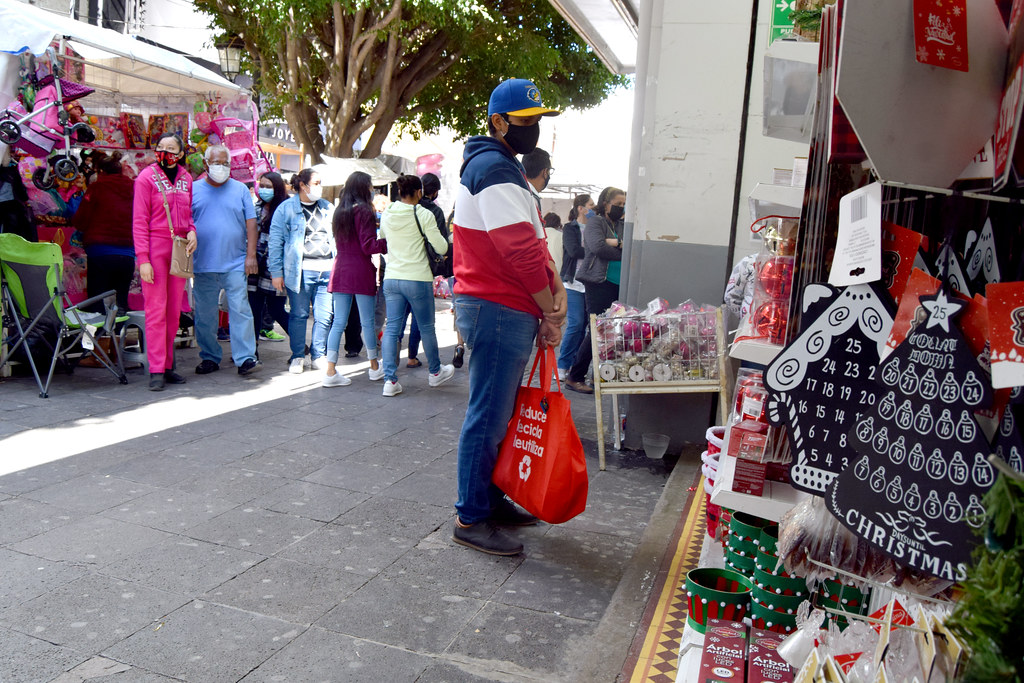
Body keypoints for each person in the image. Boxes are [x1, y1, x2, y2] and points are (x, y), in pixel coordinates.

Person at [451, 78, 565, 556]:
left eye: (539, 120)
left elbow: (530, 243)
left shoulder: (500, 166)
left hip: (505, 305)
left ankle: (489, 501)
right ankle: (471, 517)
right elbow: (518, 250)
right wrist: (548, 304)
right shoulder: (494, 169)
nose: (534, 129)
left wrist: (552, 294)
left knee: (498, 415)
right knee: (489, 416)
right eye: (526, 121)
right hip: (498, 306)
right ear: (498, 122)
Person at [378, 173, 454, 396]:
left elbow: (383, 236)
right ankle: (436, 373)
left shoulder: (388, 213)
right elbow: (441, 248)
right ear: (419, 192)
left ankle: (390, 381)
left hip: (392, 277)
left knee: (392, 329)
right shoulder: (423, 214)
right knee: (427, 327)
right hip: (417, 278)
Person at [132, 132, 196, 391]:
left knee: (173, 312)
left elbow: (188, 214)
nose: (165, 152)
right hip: (155, 247)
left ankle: (169, 365)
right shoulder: (146, 178)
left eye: (171, 148)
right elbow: (139, 221)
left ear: (181, 154)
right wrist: (143, 259)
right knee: (156, 310)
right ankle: (156, 368)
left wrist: (192, 230)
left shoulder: (186, 178)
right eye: (160, 147)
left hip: (180, 248)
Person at [191, 145, 262, 377]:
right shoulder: (193, 190)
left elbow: (252, 224)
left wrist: (251, 255)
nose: (221, 168)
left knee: (241, 310)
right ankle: (210, 357)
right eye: (216, 163)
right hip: (203, 263)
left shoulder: (241, 190)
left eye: (225, 163)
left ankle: (245, 358)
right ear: (205, 163)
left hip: (235, 262)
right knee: (204, 315)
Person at [268, 169, 336, 374]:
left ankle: (318, 355)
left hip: (327, 269)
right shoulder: (286, 209)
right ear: (303, 185)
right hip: (300, 271)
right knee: (299, 314)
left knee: (325, 316)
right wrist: (276, 272)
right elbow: (275, 241)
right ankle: (297, 355)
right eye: (316, 182)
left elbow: (337, 239)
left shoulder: (327, 207)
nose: (320, 186)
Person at [323, 171, 387, 387]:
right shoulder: (365, 211)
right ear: (363, 187)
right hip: (360, 270)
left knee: (338, 322)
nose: (372, 190)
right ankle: (374, 367)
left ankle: (330, 371)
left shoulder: (339, 211)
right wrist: (388, 243)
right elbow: (368, 245)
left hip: (341, 268)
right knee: (367, 322)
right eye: (370, 186)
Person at [565, 186, 626, 395]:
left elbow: (629, 247)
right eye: (617, 204)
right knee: (596, 331)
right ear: (605, 203)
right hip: (598, 283)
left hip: (617, 285)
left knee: (612, 333)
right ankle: (575, 376)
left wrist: (616, 243)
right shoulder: (596, 223)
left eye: (623, 205)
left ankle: (600, 375)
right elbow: (598, 247)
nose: (620, 208)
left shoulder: (620, 224)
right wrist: (620, 247)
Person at [74, 151, 134, 313]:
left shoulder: (96, 187)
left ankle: (99, 338)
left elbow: (81, 219)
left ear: (101, 171)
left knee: (97, 301)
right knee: (121, 302)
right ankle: (119, 336)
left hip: (100, 253)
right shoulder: (134, 187)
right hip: (128, 253)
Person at [249, 172, 290, 344]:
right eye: (262, 186)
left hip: (275, 266)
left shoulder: (286, 208)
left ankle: (299, 345)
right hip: (255, 264)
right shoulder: (256, 208)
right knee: (254, 308)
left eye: (269, 186)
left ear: (277, 188)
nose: (264, 190)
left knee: (276, 308)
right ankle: (251, 351)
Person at [557, 194, 593, 379]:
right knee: (576, 323)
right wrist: (596, 249)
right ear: (580, 208)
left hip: (590, 284)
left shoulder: (596, 228)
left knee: (585, 326)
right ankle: (562, 365)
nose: (593, 209)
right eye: (590, 205)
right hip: (572, 283)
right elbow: (573, 250)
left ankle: (573, 364)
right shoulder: (571, 228)